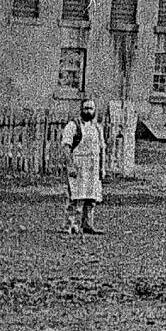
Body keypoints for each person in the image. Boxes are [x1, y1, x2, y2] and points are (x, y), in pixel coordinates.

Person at [61, 99, 106, 235]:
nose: (88, 111)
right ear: (81, 109)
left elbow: (102, 148)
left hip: (93, 167)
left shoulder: (97, 127)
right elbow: (66, 147)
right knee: (75, 196)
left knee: (91, 198)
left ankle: (87, 225)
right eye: (86, 108)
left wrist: (102, 168)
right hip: (79, 165)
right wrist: (71, 166)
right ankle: (69, 225)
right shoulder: (73, 125)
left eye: (91, 109)